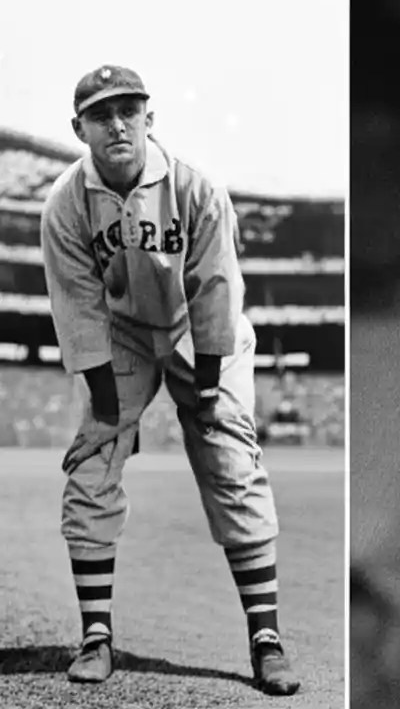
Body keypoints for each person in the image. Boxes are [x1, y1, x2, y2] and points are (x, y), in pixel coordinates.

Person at [40, 65, 301, 695]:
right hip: (124, 333)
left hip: (197, 329)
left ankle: (265, 638)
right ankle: (97, 636)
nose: (118, 124)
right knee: (93, 464)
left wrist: (208, 391)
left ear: (150, 119)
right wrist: (109, 412)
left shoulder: (194, 189)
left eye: (129, 111)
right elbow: (77, 307)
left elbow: (215, 289)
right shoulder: (66, 204)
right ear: (79, 129)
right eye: (102, 115)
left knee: (232, 460)